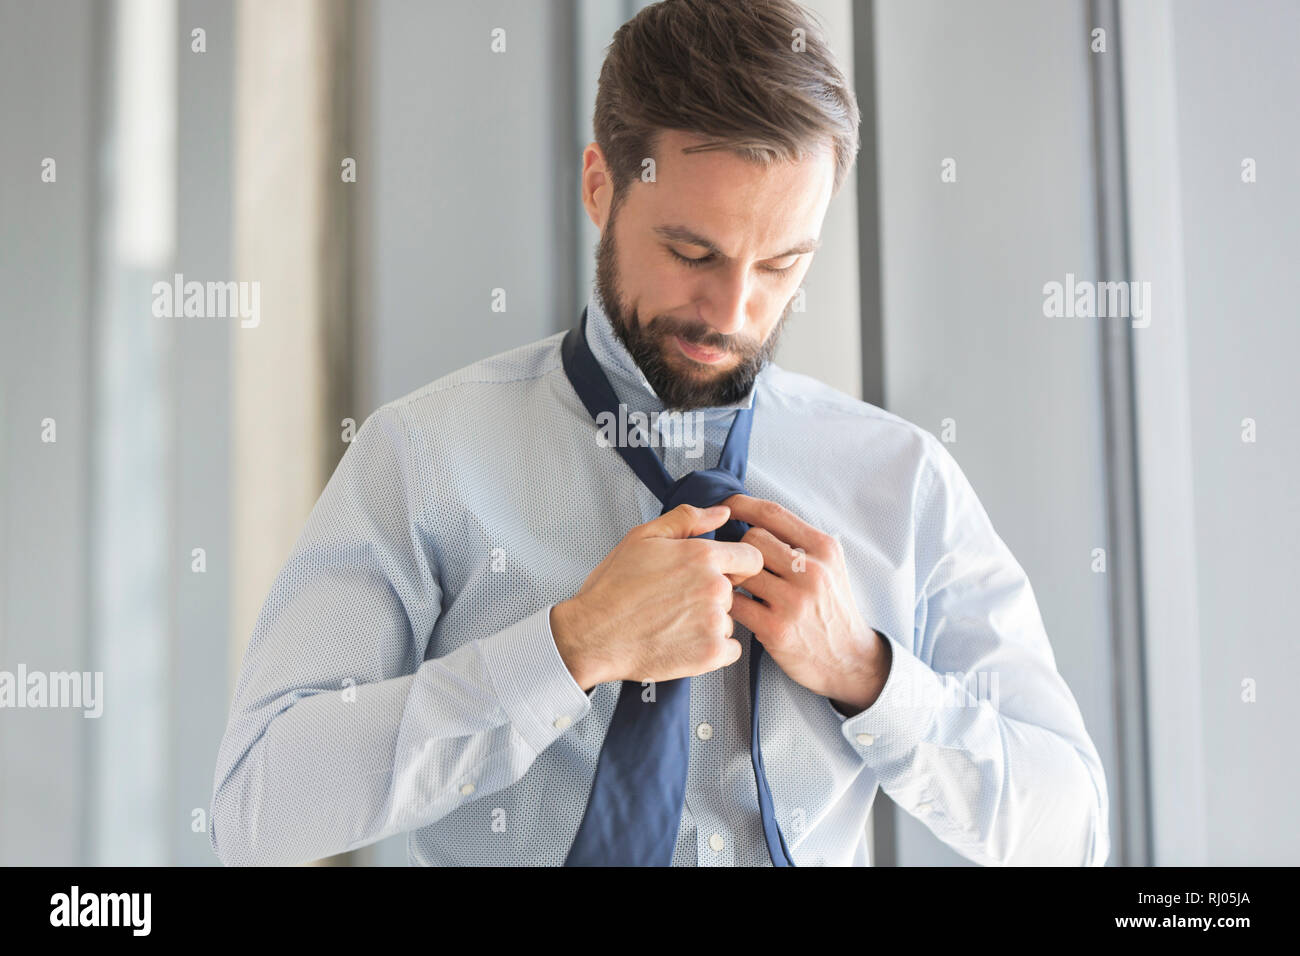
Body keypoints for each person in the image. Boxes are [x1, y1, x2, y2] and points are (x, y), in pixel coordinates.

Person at [210, 0, 1109, 867]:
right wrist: (570, 648)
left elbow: (1070, 830)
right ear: (602, 186)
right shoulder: (426, 458)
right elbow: (258, 807)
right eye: (693, 254)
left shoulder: (902, 481)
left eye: (782, 263)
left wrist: (870, 676)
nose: (733, 310)